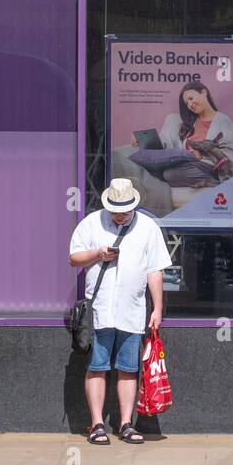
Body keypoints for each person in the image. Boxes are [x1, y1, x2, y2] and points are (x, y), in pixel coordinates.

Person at [69, 178, 170, 445]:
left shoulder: (148, 227)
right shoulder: (91, 223)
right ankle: (96, 423)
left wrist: (157, 307)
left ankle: (126, 423)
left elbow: (155, 269)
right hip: (100, 309)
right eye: (115, 209)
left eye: (125, 209)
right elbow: (73, 258)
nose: (120, 214)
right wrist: (97, 254)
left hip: (132, 310)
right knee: (97, 367)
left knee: (128, 369)